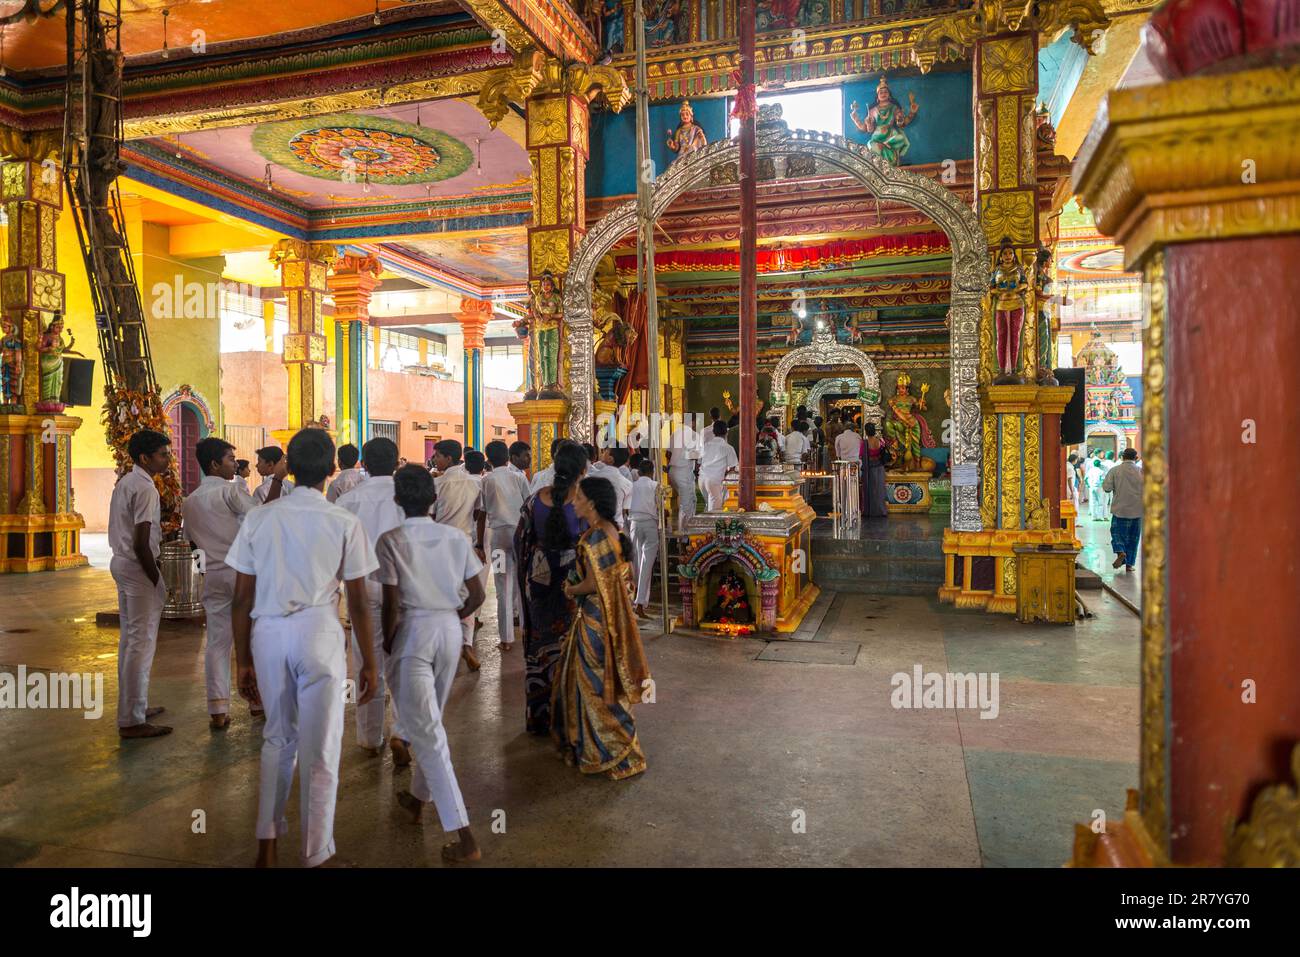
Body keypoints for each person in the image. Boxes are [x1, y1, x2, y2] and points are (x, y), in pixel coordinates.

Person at [228, 428, 379, 868]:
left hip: (268, 632)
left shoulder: (260, 517)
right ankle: (316, 853)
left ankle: (267, 847)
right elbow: (358, 601)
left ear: (288, 467)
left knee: (277, 738)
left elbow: (241, 598)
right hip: (319, 631)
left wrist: (242, 661)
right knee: (322, 746)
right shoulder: (343, 521)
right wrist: (367, 660)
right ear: (332, 469)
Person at [376, 465, 485, 863]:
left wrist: (389, 644)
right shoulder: (456, 538)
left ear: (397, 501)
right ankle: (418, 800)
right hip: (449, 630)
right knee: (430, 722)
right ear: (434, 499)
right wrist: (453, 616)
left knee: (430, 732)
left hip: (414, 633)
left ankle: (466, 836)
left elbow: (390, 604)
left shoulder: (391, 540)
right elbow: (477, 595)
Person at [552, 476, 652, 780]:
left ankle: (614, 751)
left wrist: (570, 590)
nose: (573, 502)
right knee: (603, 680)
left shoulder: (595, 539)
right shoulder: (612, 531)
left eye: (578, 497)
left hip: (595, 620)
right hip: (609, 619)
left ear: (591, 503)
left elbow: (594, 584)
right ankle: (605, 746)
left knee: (594, 685)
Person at [335, 437, 407, 763]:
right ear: (395, 463)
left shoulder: (348, 500)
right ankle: (402, 732)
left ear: (364, 463)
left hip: (361, 588)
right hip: (401, 588)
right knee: (404, 661)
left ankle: (368, 737)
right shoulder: (408, 497)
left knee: (367, 661)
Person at [181, 436, 258, 730]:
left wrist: (205, 571)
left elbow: (192, 543)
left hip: (212, 574)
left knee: (217, 642)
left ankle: (217, 708)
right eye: (229, 459)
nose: (234, 464)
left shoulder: (190, 501)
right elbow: (257, 518)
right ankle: (257, 702)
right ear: (214, 464)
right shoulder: (230, 492)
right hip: (241, 574)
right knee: (250, 638)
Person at [514, 441, 588, 735]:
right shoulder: (584, 504)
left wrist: (526, 581)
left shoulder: (533, 502)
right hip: (574, 583)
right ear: (582, 470)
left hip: (539, 579)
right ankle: (570, 719)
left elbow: (519, 545)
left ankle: (540, 717)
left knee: (540, 646)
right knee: (573, 647)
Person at [110, 429, 174, 739]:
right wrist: (155, 577)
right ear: (145, 458)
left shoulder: (128, 482)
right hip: (137, 567)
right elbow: (140, 542)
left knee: (130, 640)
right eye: (162, 454)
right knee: (141, 642)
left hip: (121, 565)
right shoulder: (145, 488)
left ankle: (135, 706)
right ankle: (132, 720)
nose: (167, 459)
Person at [432, 440, 487, 671]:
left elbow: (431, 517)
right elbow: (480, 513)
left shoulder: (438, 484)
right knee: (466, 595)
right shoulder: (474, 482)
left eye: (437, 456)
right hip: (464, 542)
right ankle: (466, 645)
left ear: (449, 459)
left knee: (441, 597)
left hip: (440, 545)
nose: (435, 459)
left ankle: (443, 646)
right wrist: (480, 544)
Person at [482, 440, 531, 651]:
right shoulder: (518, 477)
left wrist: (478, 541)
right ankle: (527, 629)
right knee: (522, 582)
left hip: (499, 536)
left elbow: (482, 513)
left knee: (502, 585)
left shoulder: (486, 480)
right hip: (519, 534)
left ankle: (506, 639)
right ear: (508, 457)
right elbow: (529, 506)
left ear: (489, 460)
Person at [628, 459, 659, 619]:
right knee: (646, 564)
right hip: (649, 524)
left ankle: (636, 599)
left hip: (634, 523)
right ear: (652, 472)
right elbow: (660, 506)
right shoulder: (655, 486)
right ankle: (639, 603)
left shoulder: (632, 485)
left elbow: (627, 506)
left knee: (637, 563)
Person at [1104, 448, 1144, 572]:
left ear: (1122, 457)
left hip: (1119, 510)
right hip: (1137, 510)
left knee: (1117, 534)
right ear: (1136, 458)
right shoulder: (1141, 472)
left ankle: (1121, 551)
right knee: (1134, 537)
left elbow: (1107, 488)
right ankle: (1129, 565)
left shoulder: (1115, 470)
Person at [666, 416, 700, 533]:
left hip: (673, 472)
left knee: (689, 500)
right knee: (687, 504)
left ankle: (684, 533)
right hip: (684, 471)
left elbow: (668, 453)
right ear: (693, 422)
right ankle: (685, 536)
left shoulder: (675, 433)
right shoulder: (694, 435)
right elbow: (696, 456)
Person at [697, 419, 738, 510]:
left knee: (708, 505)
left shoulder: (706, 445)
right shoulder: (728, 447)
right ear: (727, 431)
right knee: (714, 510)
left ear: (713, 432)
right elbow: (732, 468)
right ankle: (709, 524)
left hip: (702, 479)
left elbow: (699, 463)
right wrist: (725, 475)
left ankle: (705, 523)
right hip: (714, 480)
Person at [590, 445, 632, 528]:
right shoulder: (628, 484)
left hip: (596, 523)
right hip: (617, 525)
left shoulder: (593, 477)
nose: (603, 452)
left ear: (610, 459)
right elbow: (624, 510)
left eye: (606, 451)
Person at [861, 421, 890, 518]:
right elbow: (883, 451)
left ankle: (870, 510)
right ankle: (881, 510)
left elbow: (861, 455)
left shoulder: (864, 443)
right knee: (880, 489)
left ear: (866, 431)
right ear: (874, 431)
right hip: (880, 467)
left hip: (869, 468)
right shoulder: (880, 441)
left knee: (870, 489)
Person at [1086, 457, 1108, 521]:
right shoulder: (1101, 471)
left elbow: (1086, 479)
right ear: (1099, 464)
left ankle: (1094, 517)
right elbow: (1102, 480)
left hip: (1091, 487)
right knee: (1100, 502)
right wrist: (1103, 488)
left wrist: (1088, 485)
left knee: (1093, 502)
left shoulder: (1090, 471)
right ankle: (1099, 516)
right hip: (1099, 487)